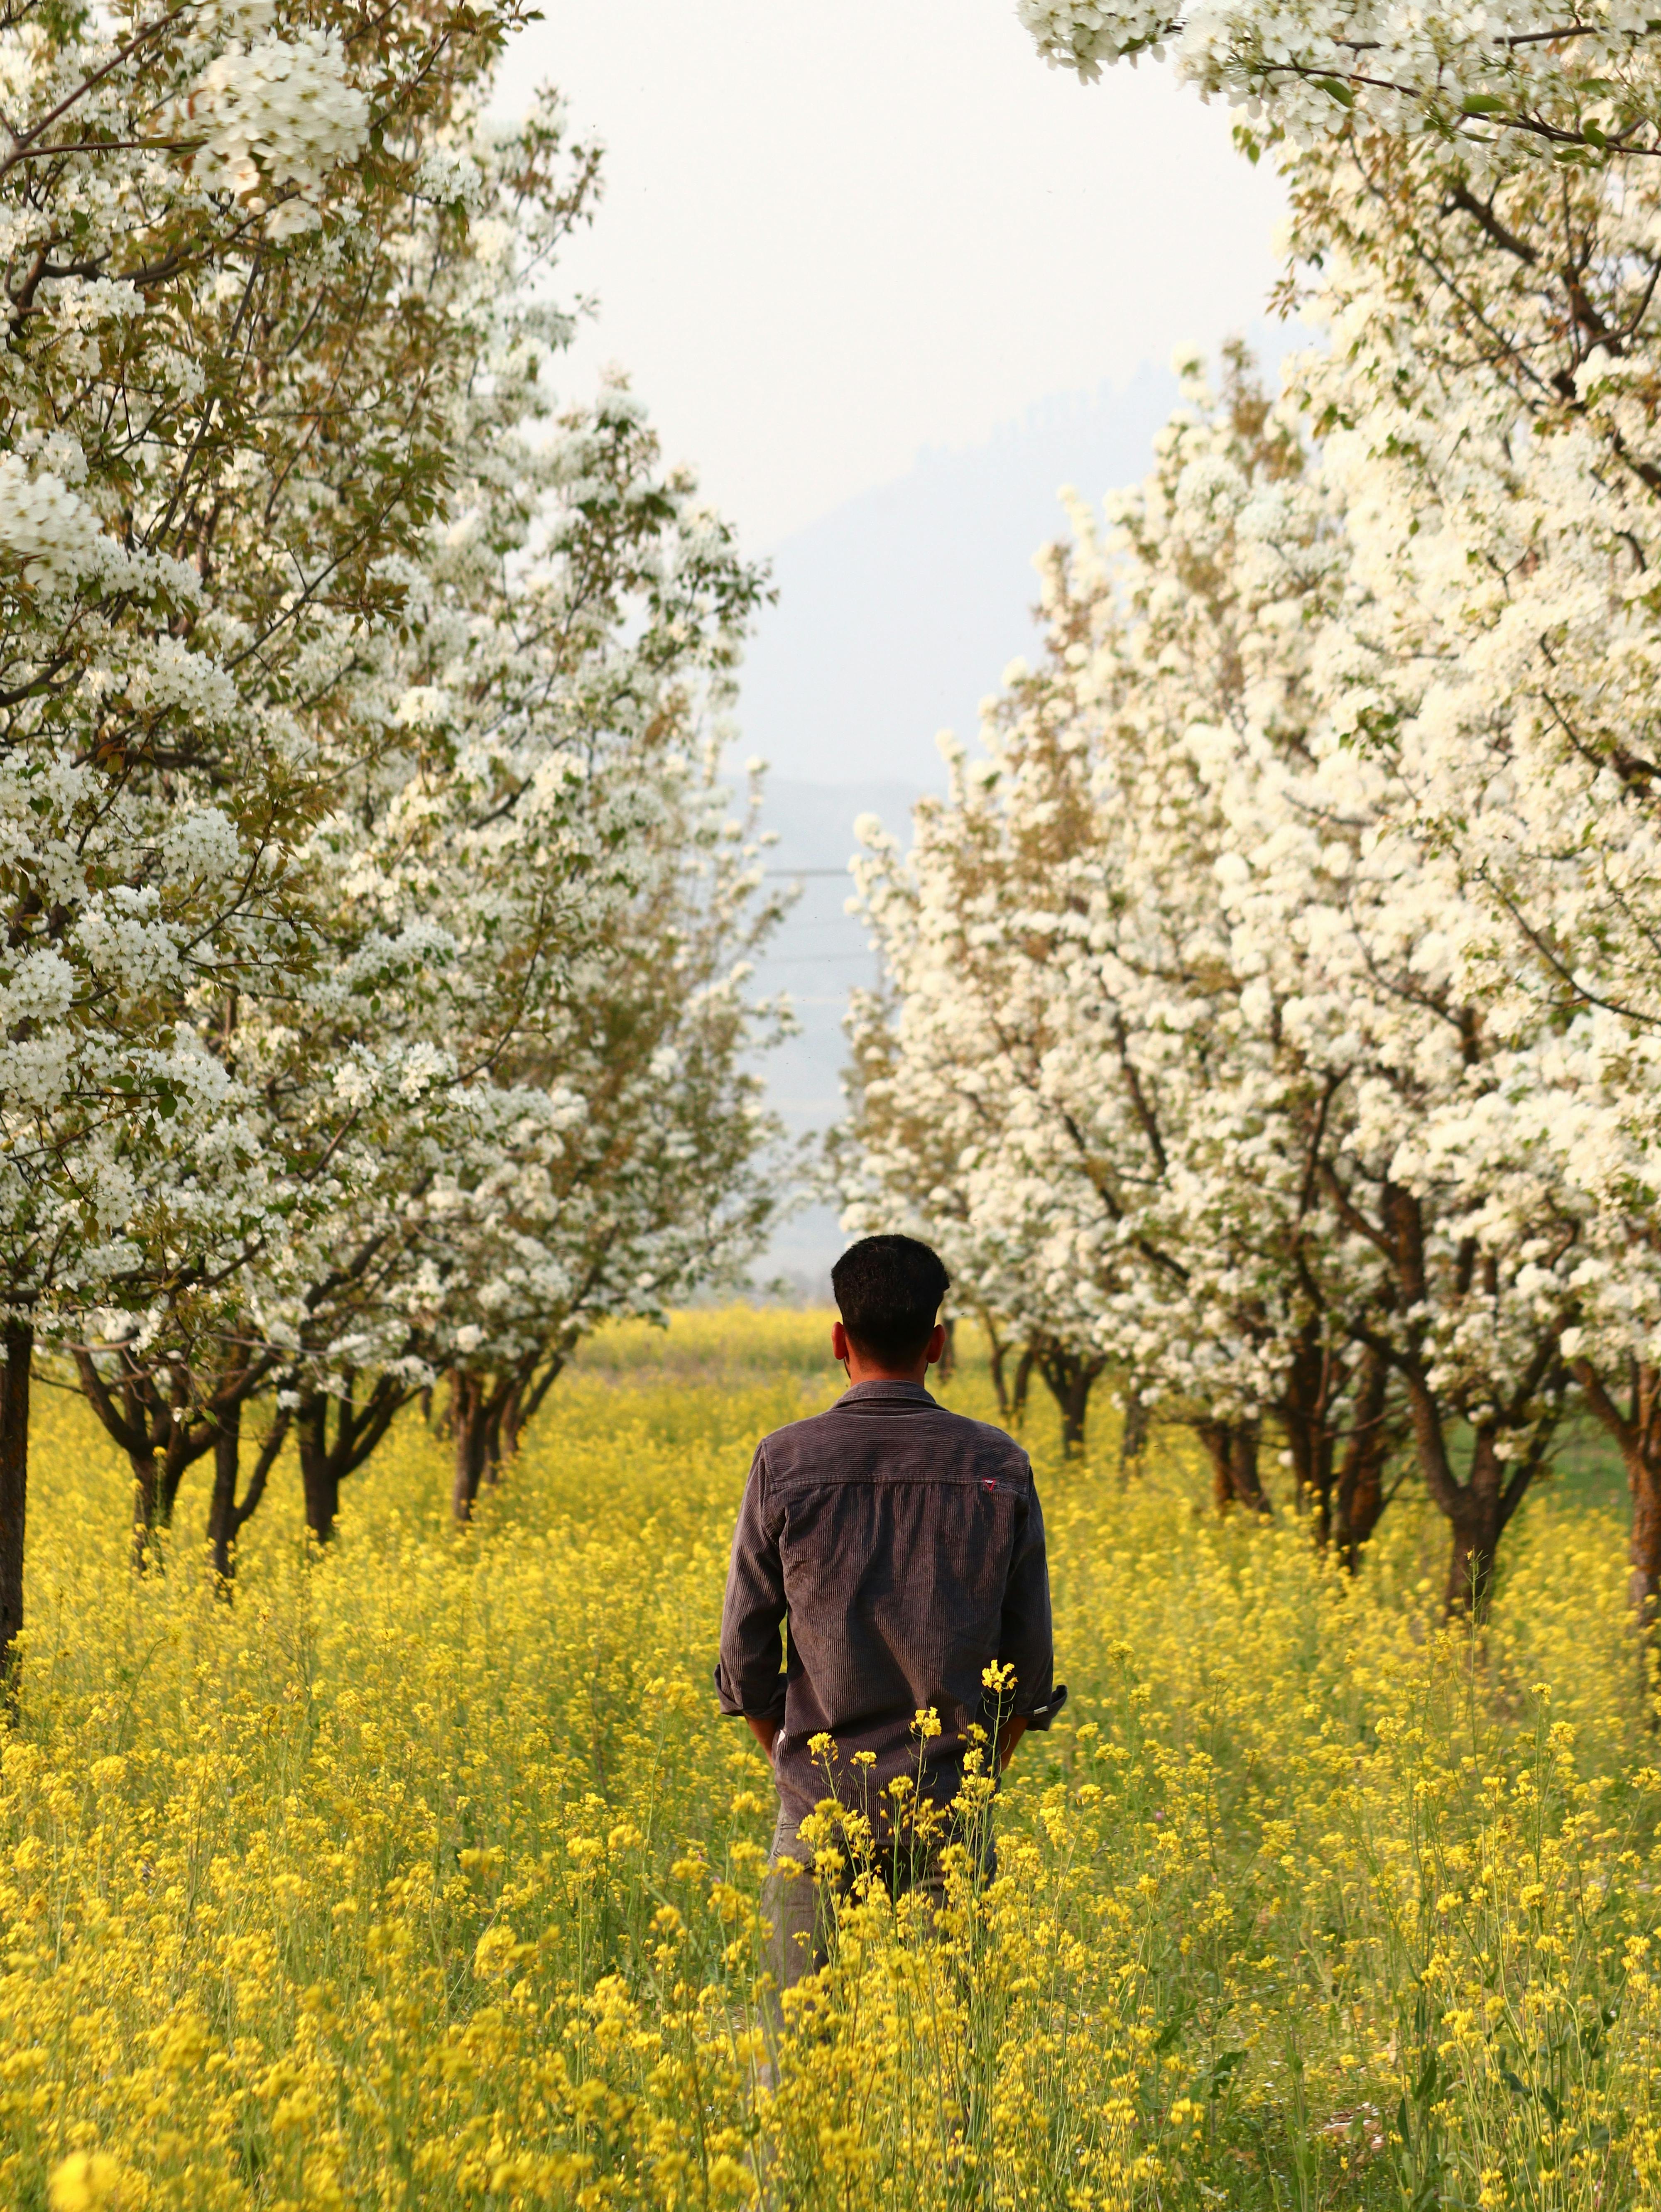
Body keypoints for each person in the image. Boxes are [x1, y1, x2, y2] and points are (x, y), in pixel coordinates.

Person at [713, 1233, 1065, 2001]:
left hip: (819, 1810)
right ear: (937, 1344)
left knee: (799, 2066)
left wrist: (791, 1761)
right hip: (948, 1812)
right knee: (949, 2077)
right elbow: (1029, 1666)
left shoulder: (785, 1461)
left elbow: (743, 1661)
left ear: (839, 1338)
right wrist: (972, 1777)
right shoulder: (998, 1466)